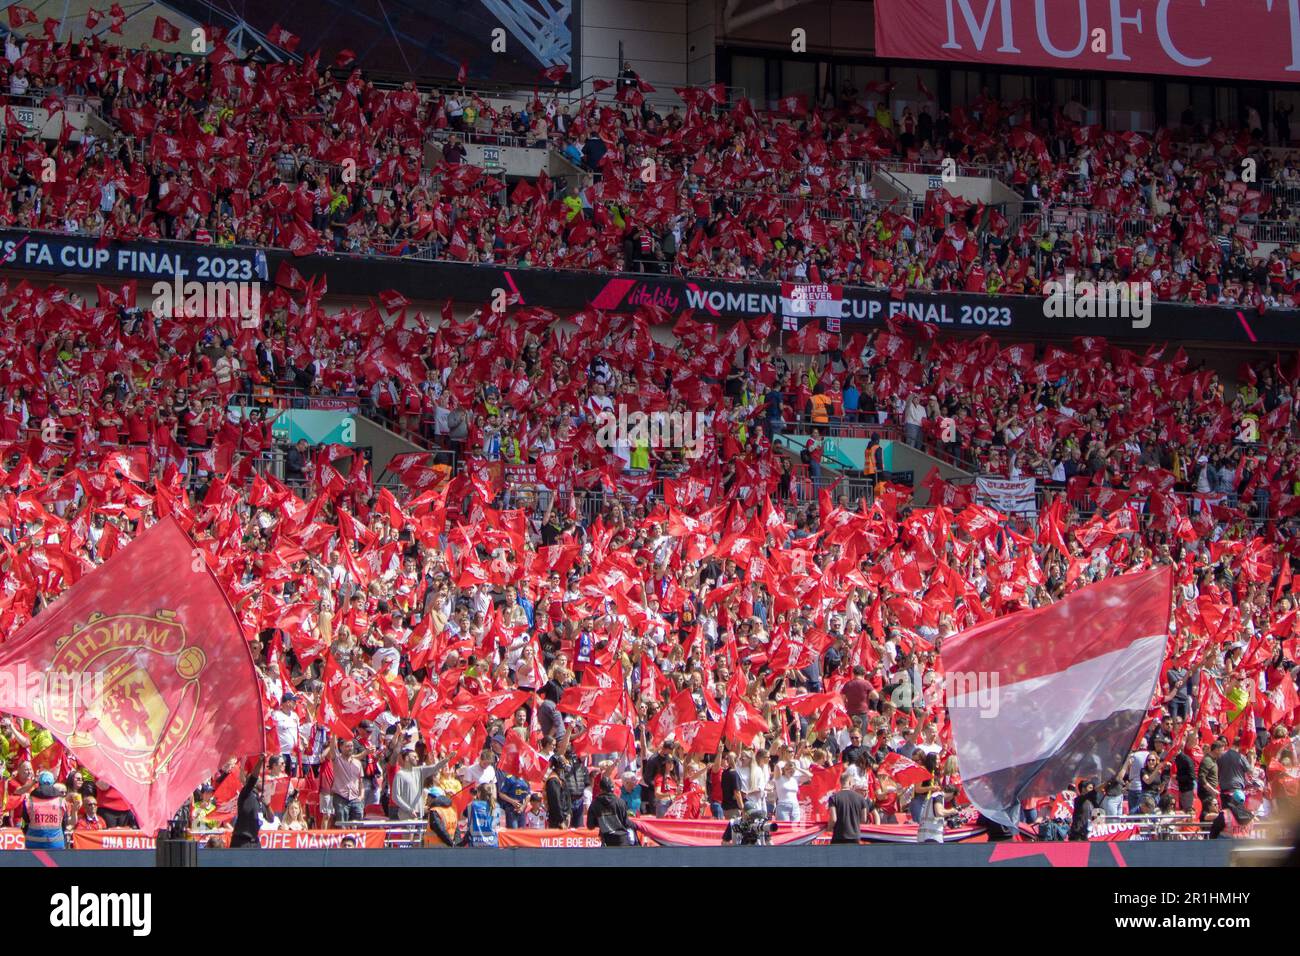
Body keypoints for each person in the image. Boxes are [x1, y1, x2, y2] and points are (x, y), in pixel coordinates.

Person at [22, 771, 67, 849]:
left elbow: (25, 821)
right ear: (53, 784)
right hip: (56, 843)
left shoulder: (30, 800)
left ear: (39, 783)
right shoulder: (61, 801)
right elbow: (65, 822)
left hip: (33, 843)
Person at [586, 774, 634, 846]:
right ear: (613, 788)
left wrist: (599, 821)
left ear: (601, 789)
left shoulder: (595, 804)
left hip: (606, 841)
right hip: (621, 840)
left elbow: (590, 825)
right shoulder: (620, 802)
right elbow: (626, 823)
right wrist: (636, 825)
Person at [230, 756, 266, 849]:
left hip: (255, 841)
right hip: (241, 841)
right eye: (259, 777)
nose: (260, 779)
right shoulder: (245, 793)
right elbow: (253, 779)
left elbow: (271, 819)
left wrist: (268, 805)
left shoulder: (260, 799)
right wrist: (260, 760)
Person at [826, 772, 867, 844]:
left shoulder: (834, 798)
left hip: (839, 837)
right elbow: (864, 819)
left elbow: (833, 819)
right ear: (850, 782)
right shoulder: (861, 798)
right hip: (855, 836)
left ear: (841, 782)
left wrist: (828, 829)